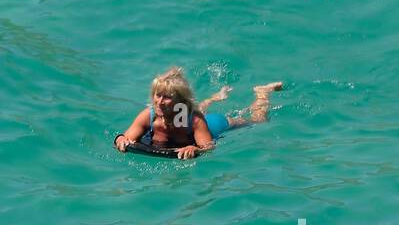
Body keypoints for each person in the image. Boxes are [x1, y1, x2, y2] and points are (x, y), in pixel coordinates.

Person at [115, 67, 283, 159]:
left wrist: (195, 149)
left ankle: (262, 92)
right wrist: (120, 139)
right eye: (158, 95)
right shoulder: (148, 115)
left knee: (257, 120)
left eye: (167, 97)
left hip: (213, 125)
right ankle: (215, 97)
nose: (159, 102)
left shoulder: (194, 120)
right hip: (184, 118)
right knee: (185, 114)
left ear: (179, 101)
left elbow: (209, 147)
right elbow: (126, 137)